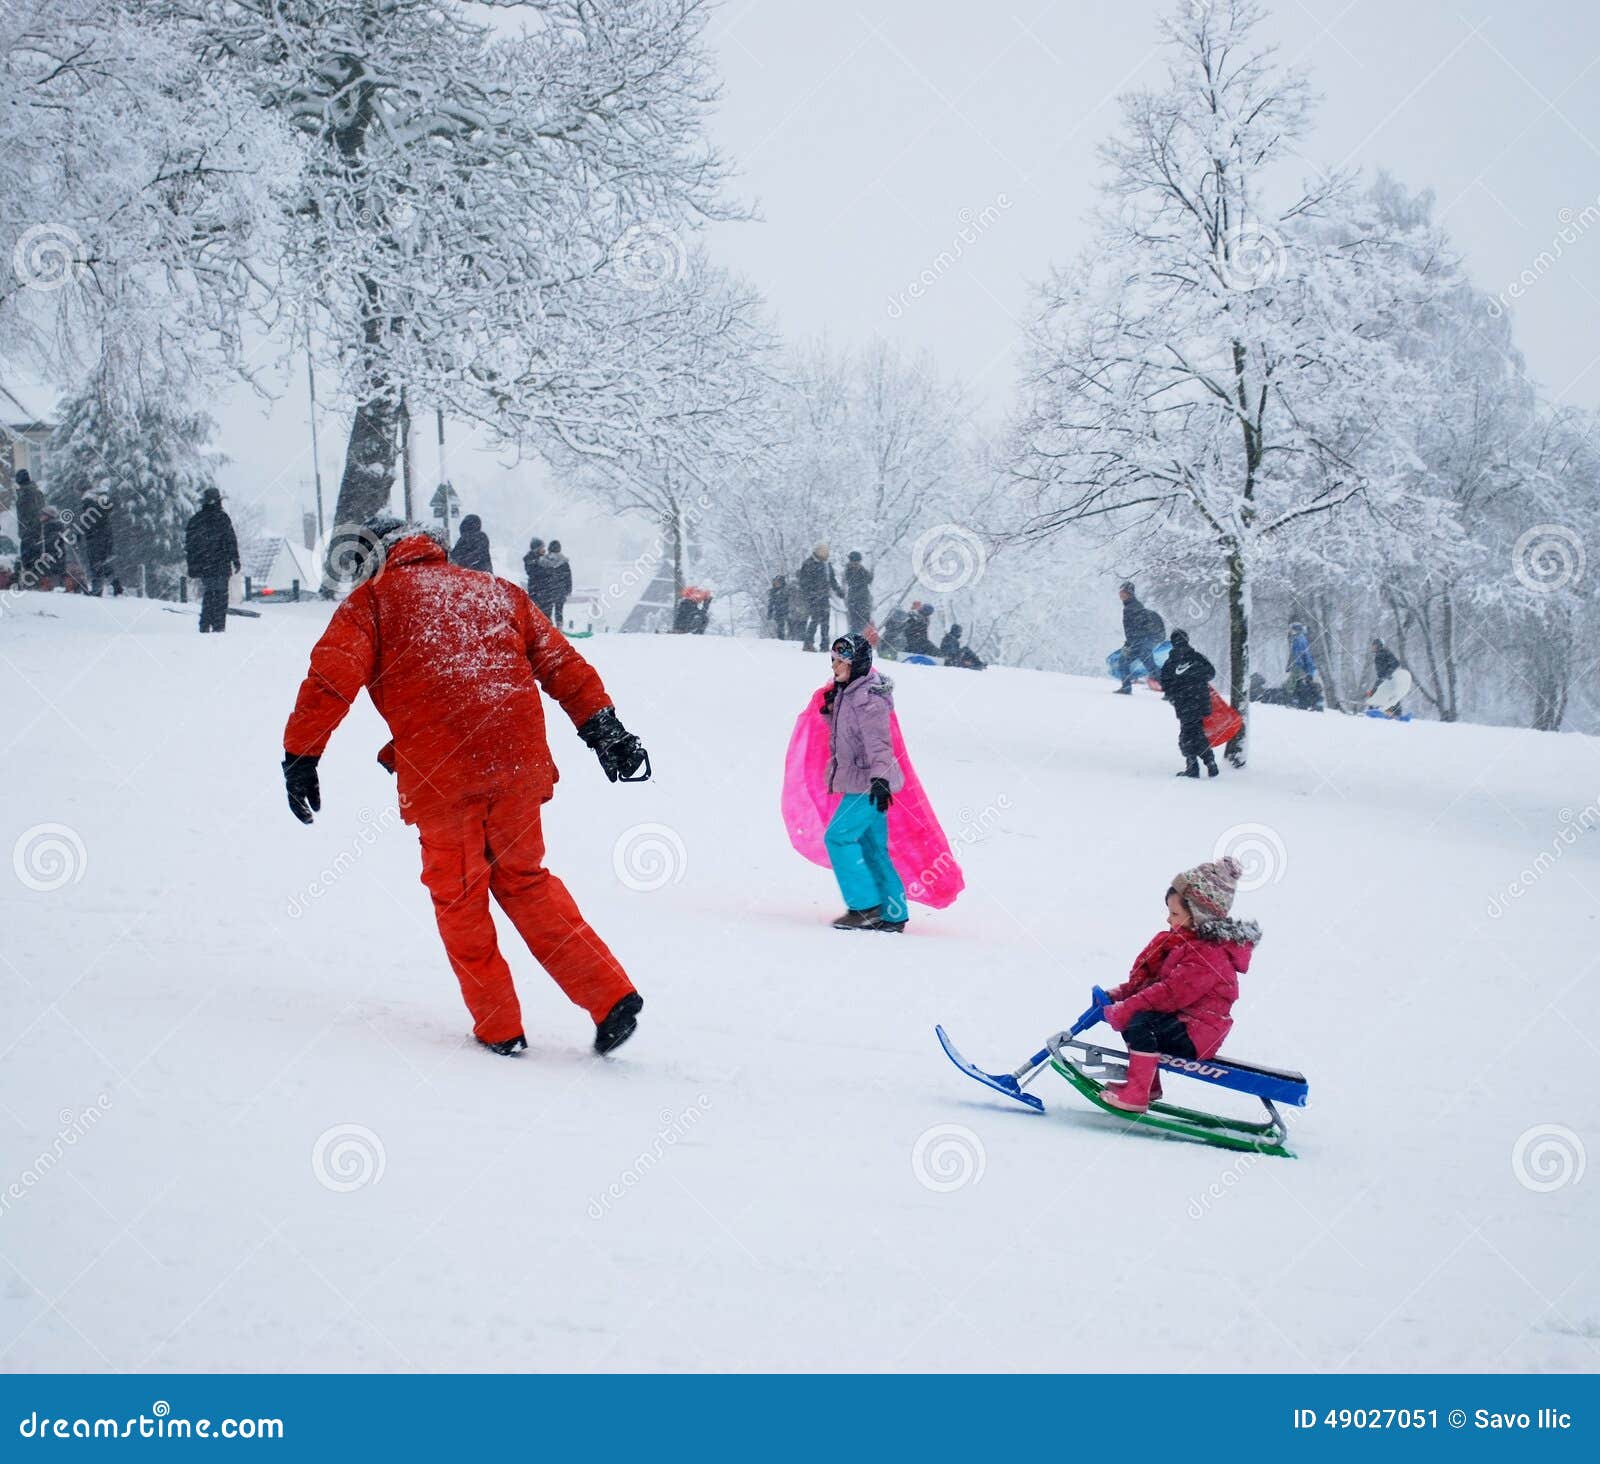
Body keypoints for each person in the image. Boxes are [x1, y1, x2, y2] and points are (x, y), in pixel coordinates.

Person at [281, 514, 651, 1056]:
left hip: (444, 776)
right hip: (517, 765)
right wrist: (605, 731)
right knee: (525, 880)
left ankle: (499, 1026)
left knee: (459, 895)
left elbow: (329, 680)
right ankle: (609, 995)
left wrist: (301, 755)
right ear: (432, 548)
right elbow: (561, 664)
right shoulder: (498, 593)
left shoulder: (372, 602)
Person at [1096, 856, 1258, 1113]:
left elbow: (1169, 993)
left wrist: (1127, 1008)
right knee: (1138, 1019)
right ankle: (1147, 1087)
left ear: (1199, 916)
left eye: (1175, 914)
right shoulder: (1187, 946)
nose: (1168, 920)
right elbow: (1157, 982)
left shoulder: (1207, 955)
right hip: (1185, 1022)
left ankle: (1136, 1096)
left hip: (1198, 1033)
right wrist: (1120, 994)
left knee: (1140, 1024)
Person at [819, 634, 908, 932]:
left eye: (841, 661)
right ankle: (893, 914)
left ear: (856, 662)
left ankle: (865, 907)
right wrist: (830, 711)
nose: (835, 666)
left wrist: (880, 780)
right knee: (873, 848)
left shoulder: (867, 697)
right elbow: (846, 738)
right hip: (865, 781)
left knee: (838, 837)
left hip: (869, 784)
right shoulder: (848, 692)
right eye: (832, 660)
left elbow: (879, 744)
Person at [1158, 628, 1218, 778]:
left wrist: (1174, 694)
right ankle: (1209, 762)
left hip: (1184, 704)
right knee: (1197, 731)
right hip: (1201, 702)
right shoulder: (1198, 657)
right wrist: (1196, 677)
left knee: (1187, 734)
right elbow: (1211, 673)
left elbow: (1165, 683)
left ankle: (1193, 766)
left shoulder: (1171, 662)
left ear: (1172, 643)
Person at [185, 486, 241, 632]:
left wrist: (193, 565)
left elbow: (190, 546)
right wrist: (235, 559)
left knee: (209, 592)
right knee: (221, 595)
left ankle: (205, 624)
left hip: (205, 565)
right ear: (218, 502)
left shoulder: (196, 520)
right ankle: (218, 625)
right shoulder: (222, 519)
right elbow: (230, 541)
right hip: (221, 564)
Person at [1116, 581, 1165, 694]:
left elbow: (1135, 629)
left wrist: (1129, 644)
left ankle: (1126, 687)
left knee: (1124, 662)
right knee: (1150, 667)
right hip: (1142, 642)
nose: (1120, 594)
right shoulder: (1132, 606)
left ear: (1129, 593)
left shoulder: (1131, 608)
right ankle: (1170, 689)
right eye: (1120, 592)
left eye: (1122, 592)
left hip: (1140, 642)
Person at [796, 542, 842, 652]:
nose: (827, 554)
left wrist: (838, 590)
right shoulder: (808, 564)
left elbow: (832, 580)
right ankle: (808, 643)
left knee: (825, 621)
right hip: (813, 597)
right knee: (815, 619)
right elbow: (803, 582)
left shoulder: (827, 565)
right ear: (819, 552)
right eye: (825, 552)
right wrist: (812, 592)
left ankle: (825, 645)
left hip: (824, 596)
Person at [78, 487, 118, 596]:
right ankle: (116, 584)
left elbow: (87, 523)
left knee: (95, 564)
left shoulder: (90, 506)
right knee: (102, 563)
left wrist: (78, 533)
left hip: (95, 539)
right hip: (105, 538)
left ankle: (97, 589)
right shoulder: (101, 508)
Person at [1366, 638, 1410, 718]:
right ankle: (1376, 710)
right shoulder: (1378, 654)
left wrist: (1388, 673)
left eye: (1374, 645)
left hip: (1388, 679)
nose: (1372, 647)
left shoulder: (1386, 652)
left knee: (1390, 695)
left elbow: (1396, 663)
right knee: (1376, 693)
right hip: (1382, 678)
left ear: (1379, 646)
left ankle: (1396, 714)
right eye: (1372, 645)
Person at [14, 468, 44, 580]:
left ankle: (32, 582)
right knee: (34, 560)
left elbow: (30, 514)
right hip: (35, 532)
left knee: (29, 560)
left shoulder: (26, 494)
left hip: (30, 533)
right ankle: (34, 580)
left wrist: (27, 529)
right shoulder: (35, 492)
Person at [1285, 621, 1323, 711]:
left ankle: (1293, 701)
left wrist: (1295, 665)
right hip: (1305, 667)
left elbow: (1298, 655)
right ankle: (1308, 702)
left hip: (1300, 666)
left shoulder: (1298, 640)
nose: (1290, 631)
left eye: (1291, 629)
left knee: (1292, 684)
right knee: (1301, 684)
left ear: (1296, 630)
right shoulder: (1301, 639)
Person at [542, 539, 573, 627]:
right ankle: (559, 629)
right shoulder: (564, 562)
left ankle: (548, 628)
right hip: (560, 590)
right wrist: (568, 589)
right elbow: (568, 577)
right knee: (559, 611)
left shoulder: (545, 561)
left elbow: (542, 577)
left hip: (548, 590)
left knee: (548, 611)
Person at [843, 550, 873, 636]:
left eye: (858, 562)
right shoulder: (848, 571)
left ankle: (863, 640)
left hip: (864, 601)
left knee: (865, 623)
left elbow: (869, 579)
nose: (856, 564)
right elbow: (851, 581)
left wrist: (864, 570)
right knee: (855, 623)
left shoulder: (863, 570)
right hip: (854, 601)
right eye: (854, 562)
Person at [767, 574, 792, 639]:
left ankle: (792, 637)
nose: (777, 584)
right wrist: (770, 612)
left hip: (787, 609)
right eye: (775, 582)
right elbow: (771, 602)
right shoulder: (773, 591)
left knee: (791, 625)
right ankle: (781, 638)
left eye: (778, 582)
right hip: (778, 611)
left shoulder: (787, 590)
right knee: (780, 626)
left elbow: (791, 599)